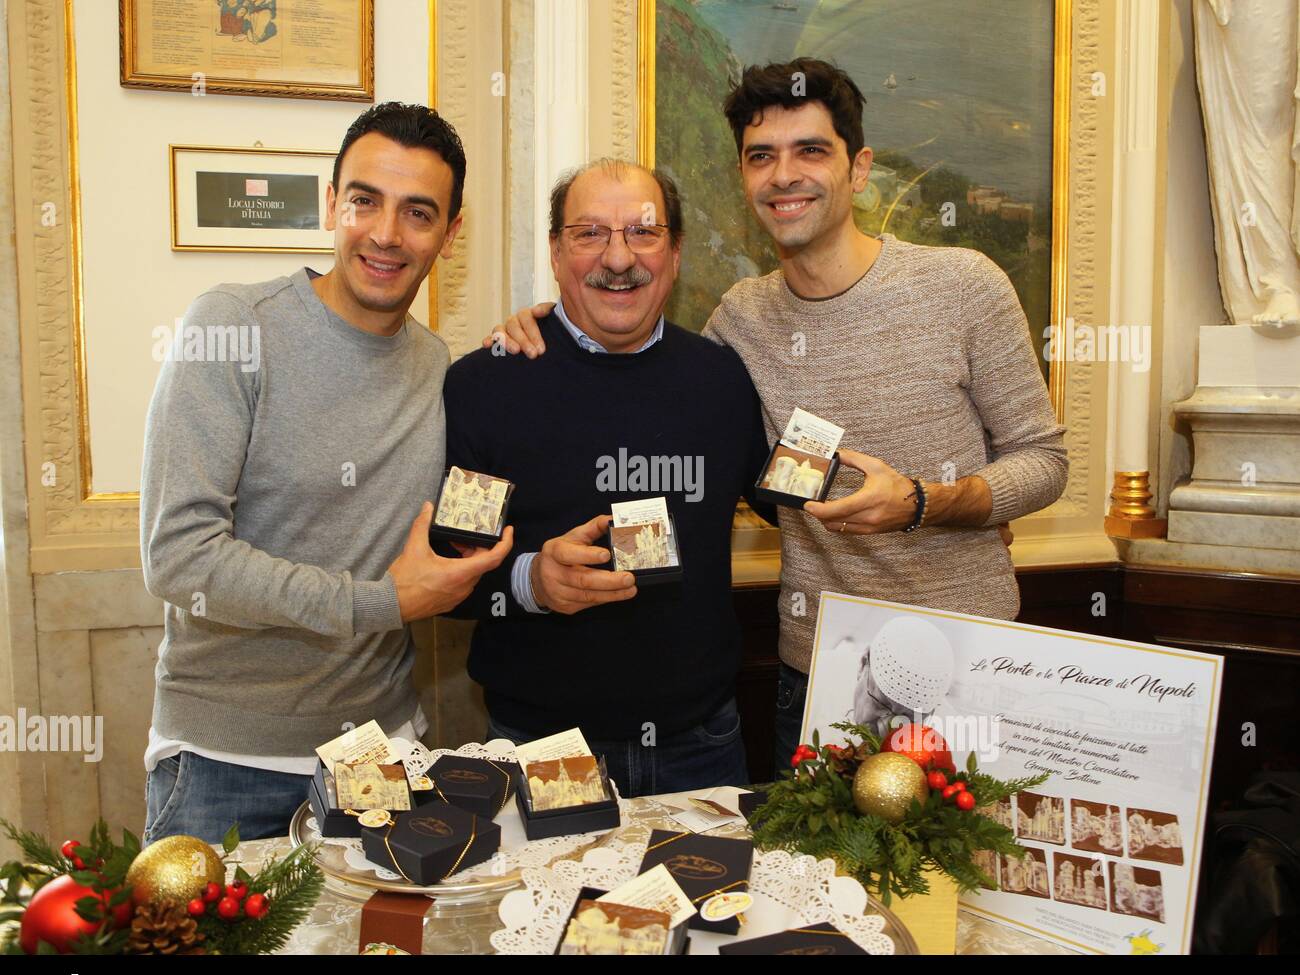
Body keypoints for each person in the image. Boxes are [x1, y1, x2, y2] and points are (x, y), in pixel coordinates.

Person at [487, 58, 1068, 774]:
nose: (783, 175)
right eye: (762, 156)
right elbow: (644, 380)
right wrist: (535, 331)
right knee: (832, 886)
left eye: (811, 151)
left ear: (859, 169)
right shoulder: (740, 323)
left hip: (968, 665)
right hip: (821, 674)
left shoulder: (962, 285)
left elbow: (1044, 461)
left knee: (969, 884)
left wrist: (931, 501)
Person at [139, 102, 512, 845]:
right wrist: (378, 601)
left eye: (418, 212)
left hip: (381, 753)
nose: (385, 233)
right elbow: (178, 558)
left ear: (450, 233)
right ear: (330, 203)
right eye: (364, 201)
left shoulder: (437, 366)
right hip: (224, 762)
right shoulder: (233, 325)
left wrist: (543, 334)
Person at [443, 159, 774, 798]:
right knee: (539, 904)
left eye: (643, 233)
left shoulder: (723, 383)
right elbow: (451, 572)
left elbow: (793, 502)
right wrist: (531, 579)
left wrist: (930, 503)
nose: (618, 258)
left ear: (675, 253)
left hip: (701, 748)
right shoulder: (486, 386)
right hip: (541, 750)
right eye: (590, 233)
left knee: (710, 903)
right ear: (557, 253)